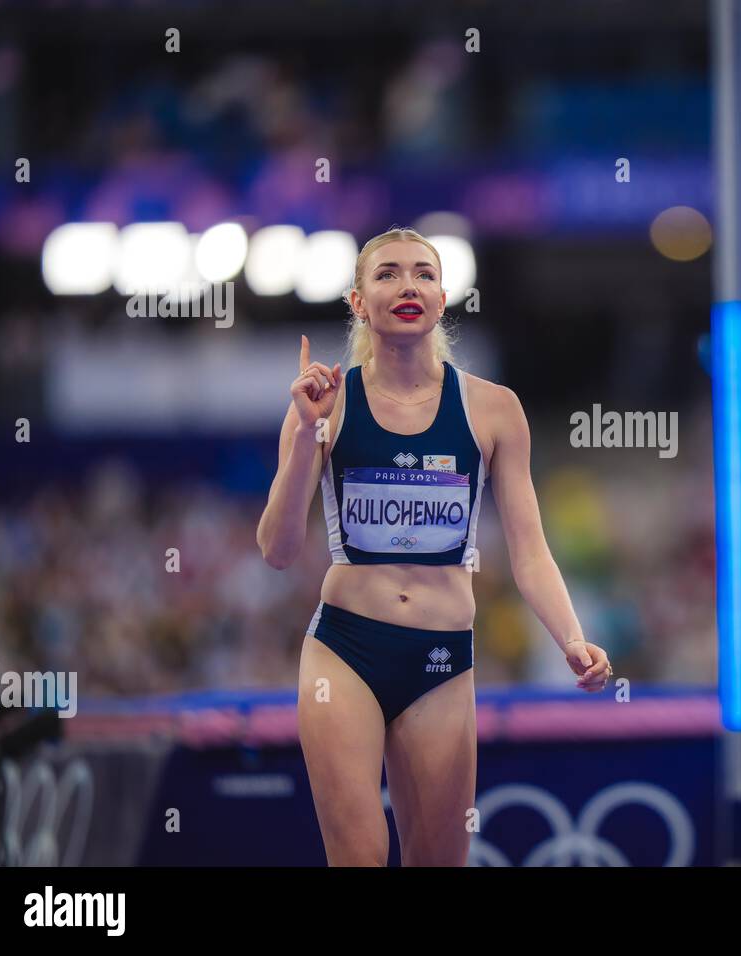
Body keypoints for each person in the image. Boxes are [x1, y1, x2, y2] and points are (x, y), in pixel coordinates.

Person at [256, 227, 611, 866]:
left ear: (443, 298)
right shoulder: (322, 406)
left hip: (442, 658)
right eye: (387, 274)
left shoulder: (494, 409)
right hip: (346, 649)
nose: (408, 285)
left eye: (423, 273)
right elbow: (278, 549)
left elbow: (530, 550)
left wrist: (571, 638)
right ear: (359, 302)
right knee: (360, 855)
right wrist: (307, 435)